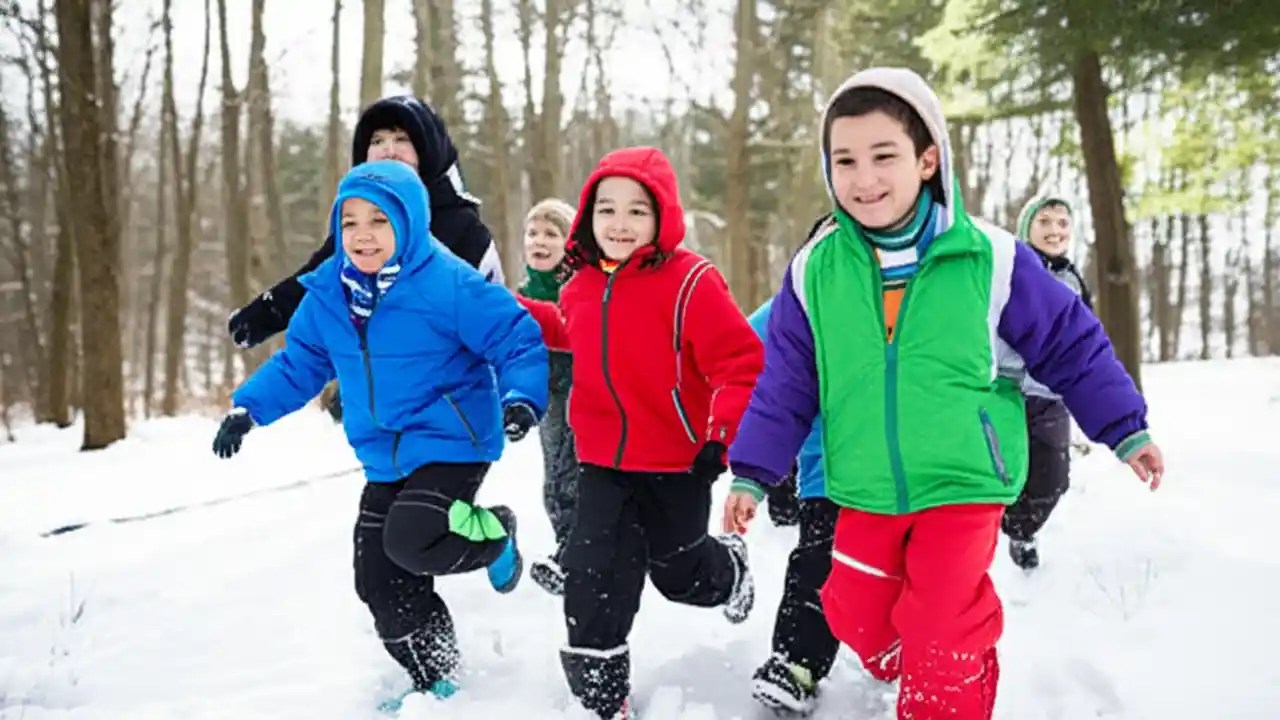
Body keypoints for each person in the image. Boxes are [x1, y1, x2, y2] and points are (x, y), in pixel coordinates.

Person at [724, 67, 1164, 720]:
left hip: (964, 477)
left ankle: (944, 673)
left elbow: (1071, 343)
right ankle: (923, 650)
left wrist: (1125, 425)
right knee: (857, 610)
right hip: (862, 482)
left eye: (884, 156)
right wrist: (752, 473)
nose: (863, 178)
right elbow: (786, 382)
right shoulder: (815, 271)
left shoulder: (993, 257)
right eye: (844, 159)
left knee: (941, 624)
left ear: (928, 158)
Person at [210, 160, 548, 708]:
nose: (362, 235)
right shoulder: (328, 295)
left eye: (379, 221)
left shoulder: (448, 282)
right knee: (378, 579)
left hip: (452, 440)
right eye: (350, 223)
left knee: (412, 540)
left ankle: (495, 536)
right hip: (384, 452)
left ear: (409, 223)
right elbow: (301, 364)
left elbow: (515, 336)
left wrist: (521, 398)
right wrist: (249, 410)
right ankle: (434, 677)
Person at [520, 146, 763, 719]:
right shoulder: (580, 282)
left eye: (637, 211)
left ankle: (728, 572)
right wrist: (516, 311)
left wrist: (720, 437)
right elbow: (567, 328)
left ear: (662, 218)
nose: (620, 223)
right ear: (588, 216)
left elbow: (740, 363)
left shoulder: (692, 281)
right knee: (592, 573)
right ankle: (602, 698)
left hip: (678, 461)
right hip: (601, 459)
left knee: (679, 574)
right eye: (607, 209)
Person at [226, 95, 503, 352]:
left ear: (427, 149)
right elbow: (320, 277)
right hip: (373, 378)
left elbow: (494, 319)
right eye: (377, 141)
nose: (388, 151)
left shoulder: (462, 227)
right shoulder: (360, 220)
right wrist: (270, 310)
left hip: (449, 384)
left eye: (402, 139)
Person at [726, 297, 839, 716]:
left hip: (909, 473)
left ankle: (894, 645)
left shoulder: (903, 288)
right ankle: (796, 663)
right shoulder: (801, 297)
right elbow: (739, 351)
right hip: (827, 469)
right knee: (816, 562)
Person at [1002, 193, 1095, 570]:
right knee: (1001, 469)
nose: (1054, 231)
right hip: (1006, 391)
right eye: (1045, 223)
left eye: (1062, 224)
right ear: (1027, 229)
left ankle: (1020, 529)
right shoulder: (1009, 271)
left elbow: (1084, 337)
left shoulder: (1072, 281)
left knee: (1054, 478)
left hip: (1051, 397)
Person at [516, 198, 580, 595]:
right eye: (532, 233)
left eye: (551, 234)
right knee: (554, 475)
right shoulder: (521, 289)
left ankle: (575, 556)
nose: (539, 241)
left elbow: (572, 328)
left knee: (575, 471)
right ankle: (564, 546)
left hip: (583, 385)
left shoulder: (577, 288)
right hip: (547, 390)